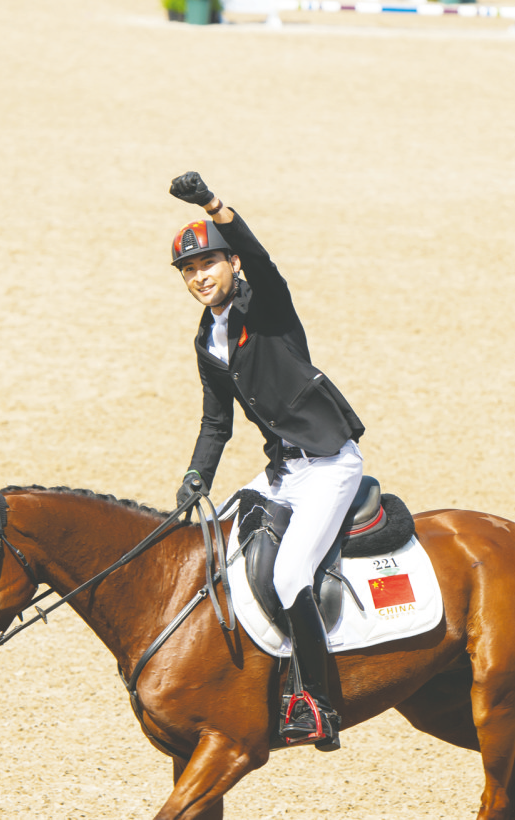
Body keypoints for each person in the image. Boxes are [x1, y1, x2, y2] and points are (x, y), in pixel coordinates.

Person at [168, 171, 365, 749]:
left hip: (328, 464)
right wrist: (195, 479)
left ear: (231, 265)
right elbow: (216, 423)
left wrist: (212, 204)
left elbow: (262, 256)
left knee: (287, 574)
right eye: (188, 270)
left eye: (208, 263)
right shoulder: (208, 340)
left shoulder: (268, 303)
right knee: (217, 542)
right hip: (283, 470)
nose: (199, 276)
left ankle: (317, 703)